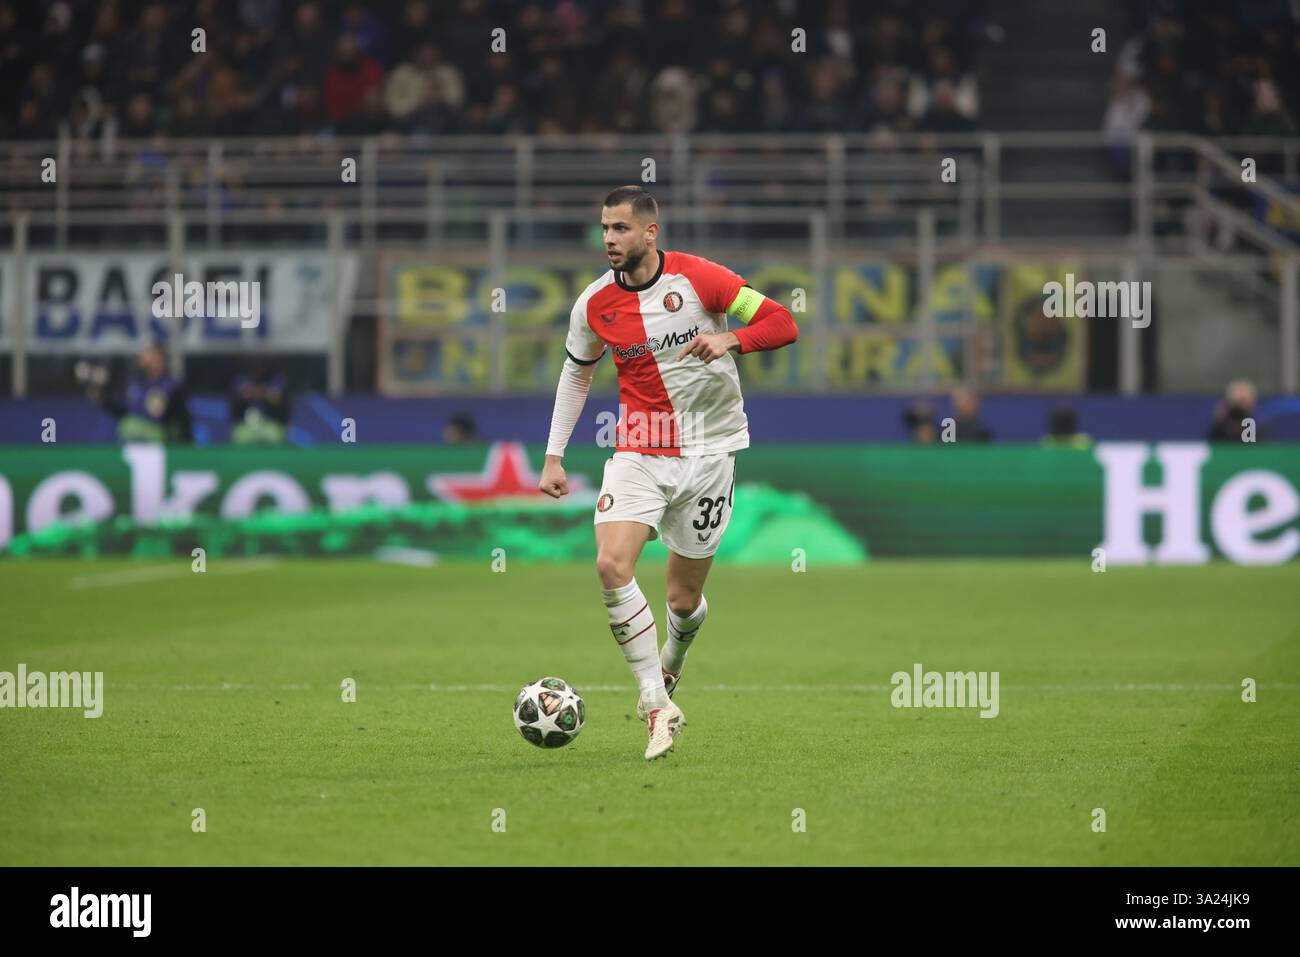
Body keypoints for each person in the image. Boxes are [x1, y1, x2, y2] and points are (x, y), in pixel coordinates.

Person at [539, 186, 798, 760]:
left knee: (683, 600)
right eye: (604, 228)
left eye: (621, 228)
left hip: (711, 454)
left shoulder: (703, 279)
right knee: (611, 564)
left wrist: (729, 337)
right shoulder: (594, 304)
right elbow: (577, 374)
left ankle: (672, 661)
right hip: (640, 449)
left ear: (650, 233)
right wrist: (554, 456)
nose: (609, 239)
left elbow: (782, 323)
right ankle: (657, 704)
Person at [87, 342, 191, 443]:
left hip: (163, 440)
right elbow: (125, 410)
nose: (144, 359)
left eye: (150, 355)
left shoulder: (171, 385)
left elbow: (176, 419)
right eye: (144, 355)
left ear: (160, 359)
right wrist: (104, 400)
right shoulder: (135, 383)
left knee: (130, 426)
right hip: (134, 441)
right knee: (127, 425)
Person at [229, 359, 289, 445]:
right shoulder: (240, 377)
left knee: (275, 435)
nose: (257, 369)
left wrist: (256, 391)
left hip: (269, 423)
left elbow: (275, 398)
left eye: (260, 366)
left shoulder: (275, 377)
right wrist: (264, 391)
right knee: (239, 436)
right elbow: (245, 394)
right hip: (245, 425)